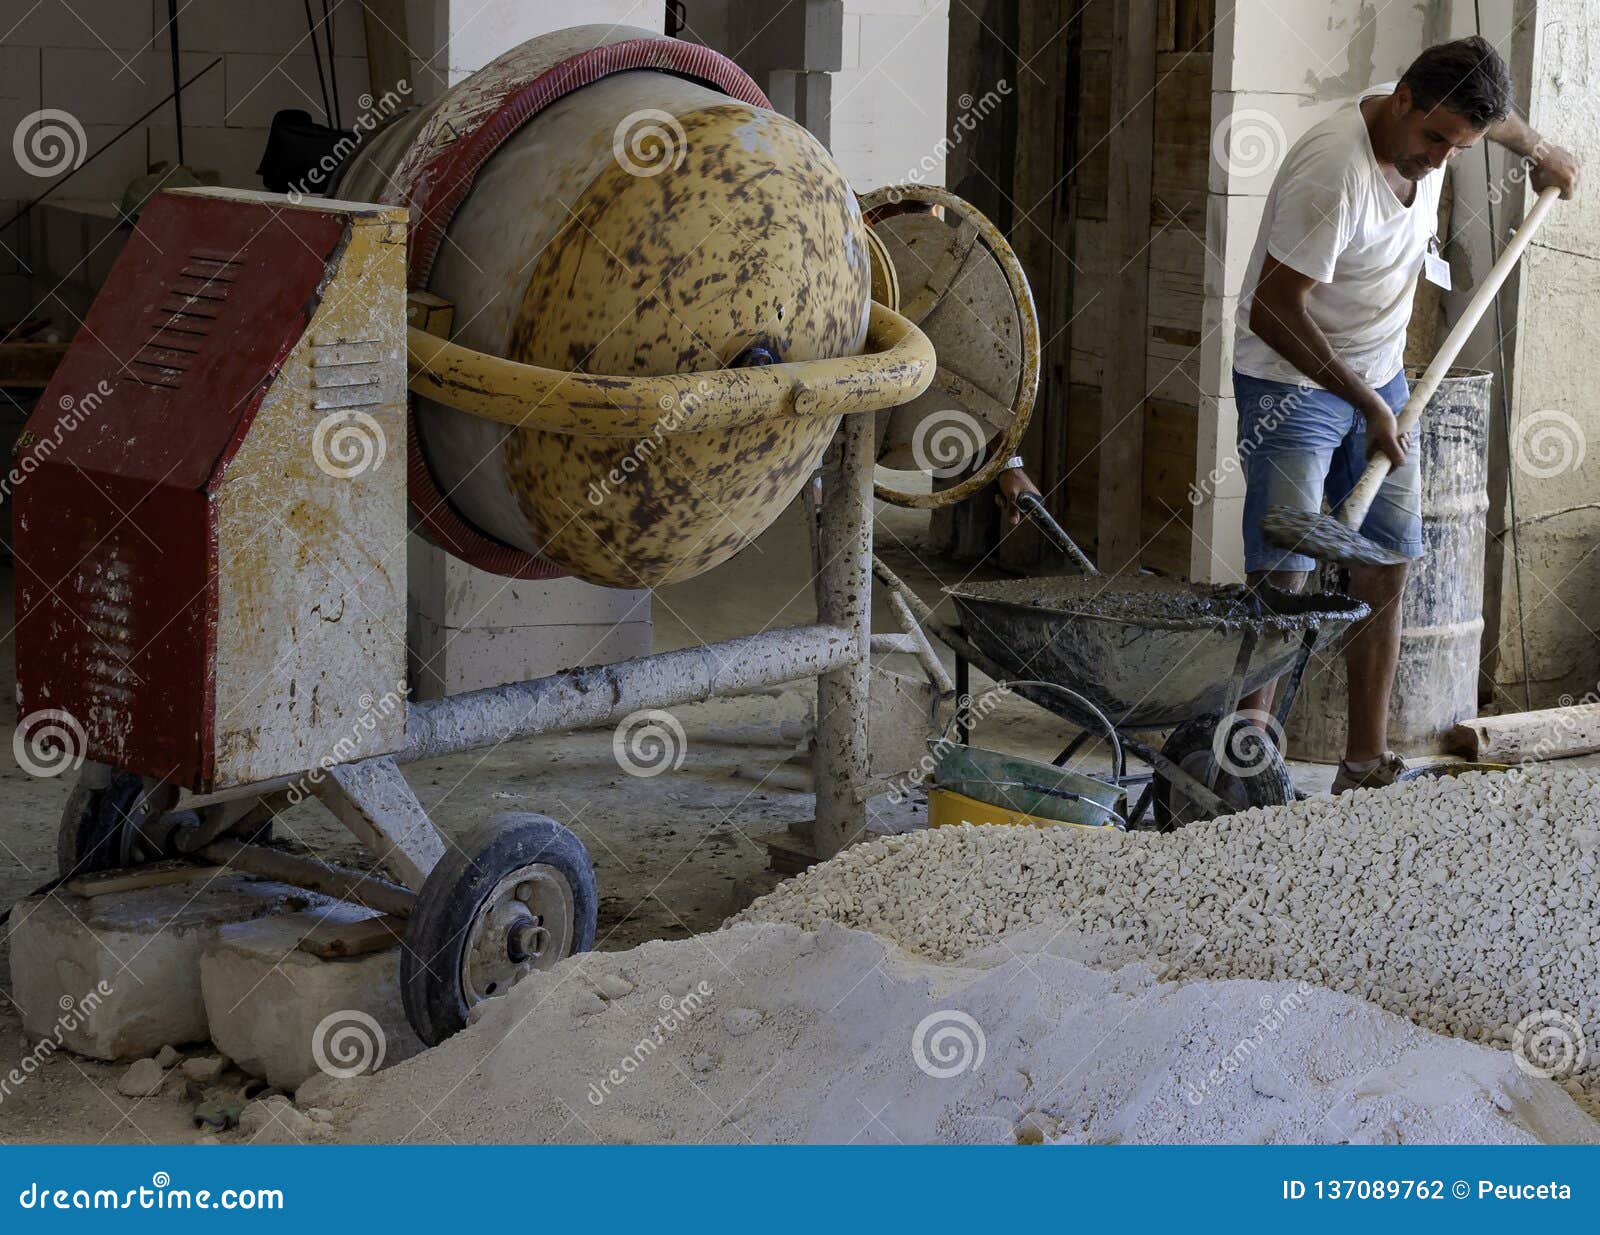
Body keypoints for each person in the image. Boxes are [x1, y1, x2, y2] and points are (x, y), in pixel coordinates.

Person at [1234, 36, 1579, 793]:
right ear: (1402, 101)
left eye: (1459, 148)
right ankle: (1244, 761)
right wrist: (1364, 402)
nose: (1439, 161)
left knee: (1386, 562)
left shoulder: (1441, 116)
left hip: (1381, 383)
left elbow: (1503, 124)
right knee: (1283, 573)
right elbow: (1270, 310)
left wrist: (1543, 151)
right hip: (1291, 380)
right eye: (1433, 139)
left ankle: (1363, 761)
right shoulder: (1334, 172)